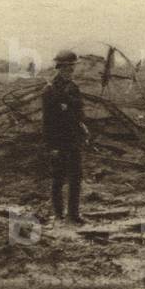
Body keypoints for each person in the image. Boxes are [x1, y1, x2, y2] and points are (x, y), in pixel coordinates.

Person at [42, 50, 88, 224]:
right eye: (67, 68)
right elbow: (47, 122)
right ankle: (58, 215)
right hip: (58, 141)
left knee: (76, 177)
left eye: (72, 68)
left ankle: (73, 215)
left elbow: (79, 111)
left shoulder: (74, 88)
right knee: (58, 178)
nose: (70, 71)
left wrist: (81, 127)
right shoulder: (49, 91)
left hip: (73, 139)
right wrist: (51, 146)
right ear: (59, 68)